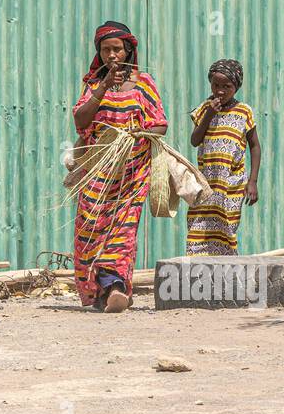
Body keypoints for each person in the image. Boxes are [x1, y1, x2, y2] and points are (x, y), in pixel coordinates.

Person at [71, 21, 168, 312]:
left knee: (122, 231)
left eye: (117, 49)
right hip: (98, 172)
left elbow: (160, 124)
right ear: (99, 53)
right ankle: (101, 293)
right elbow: (80, 122)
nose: (112, 55)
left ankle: (114, 285)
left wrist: (138, 135)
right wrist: (103, 86)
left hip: (132, 172)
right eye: (105, 50)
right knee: (90, 230)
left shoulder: (143, 83)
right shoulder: (92, 85)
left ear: (128, 50)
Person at [185, 58, 261, 256]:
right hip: (206, 183)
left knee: (227, 226)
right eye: (215, 85)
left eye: (226, 86)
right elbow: (195, 140)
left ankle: (226, 273)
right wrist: (209, 114)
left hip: (232, 183)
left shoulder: (244, 111)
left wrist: (252, 181)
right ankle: (200, 272)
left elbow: (254, 146)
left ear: (236, 86)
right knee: (199, 226)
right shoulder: (204, 109)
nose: (220, 91)